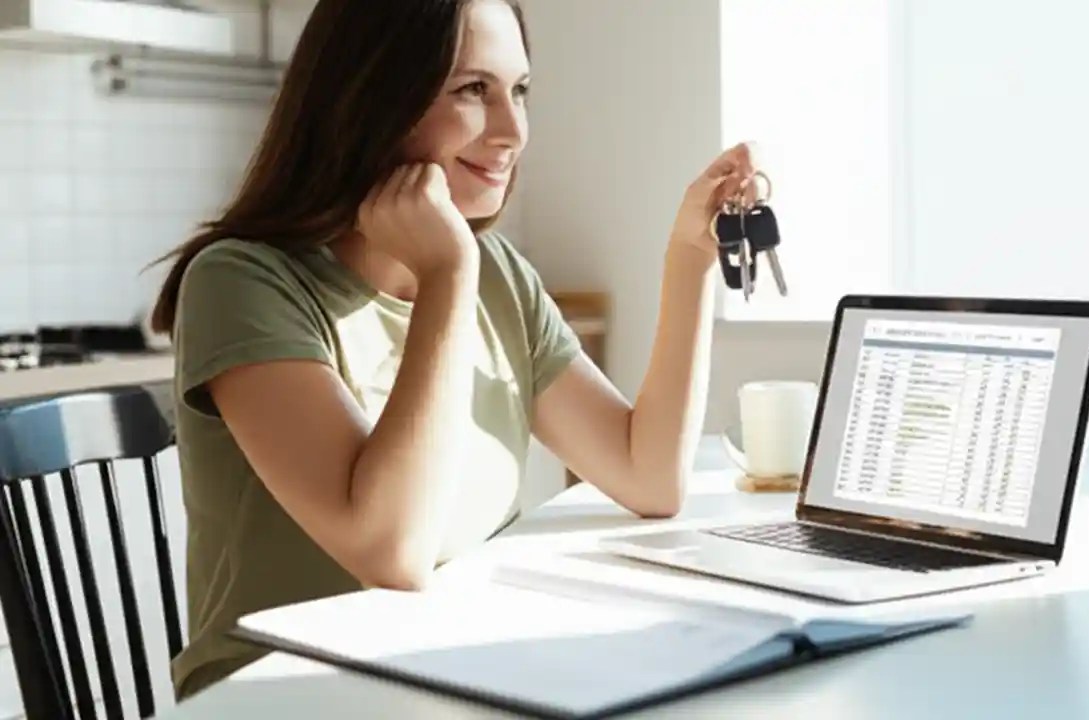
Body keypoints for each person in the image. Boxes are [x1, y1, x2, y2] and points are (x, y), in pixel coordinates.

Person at [150, 0, 766, 700]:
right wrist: (447, 277)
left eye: (519, 91)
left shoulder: (495, 273)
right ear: (373, 97)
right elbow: (392, 556)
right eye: (473, 89)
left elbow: (646, 475)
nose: (513, 130)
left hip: (445, 668)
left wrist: (689, 257)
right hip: (280, 694)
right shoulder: (241, 281)